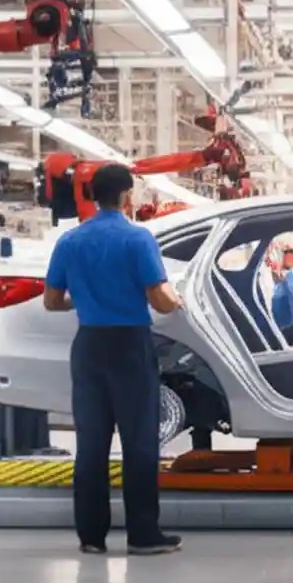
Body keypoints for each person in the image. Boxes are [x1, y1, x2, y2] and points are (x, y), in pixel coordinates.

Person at [42, 164, 184, 557]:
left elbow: (51, 301)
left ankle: (91, 536)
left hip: (88, 347)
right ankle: (142, 535)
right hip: (129, 346)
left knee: (91, 444)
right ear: (125, 196)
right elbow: (160, 300)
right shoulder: (137, 239)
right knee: (139, 442)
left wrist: (87, 300)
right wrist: (177, 300)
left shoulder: (70, 241)